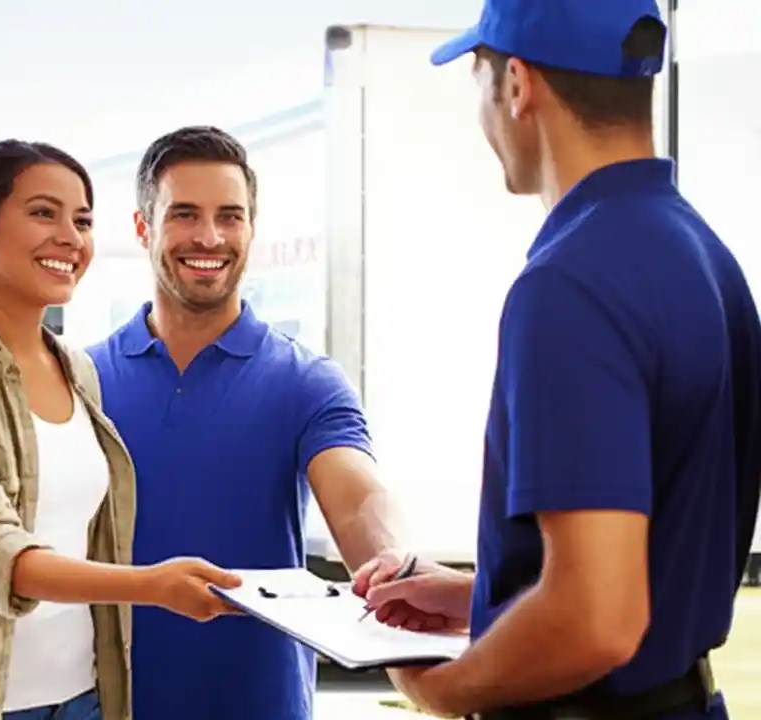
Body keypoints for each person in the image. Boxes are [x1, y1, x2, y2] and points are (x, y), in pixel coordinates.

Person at [355, 1, 761, 718]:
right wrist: (477, 597)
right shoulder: (701, 254)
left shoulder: (569, 285)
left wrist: (446, 690)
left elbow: (597, 620)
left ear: (517, 84)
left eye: (479, 80)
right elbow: (649, 564)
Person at [0, 139, 244, 720]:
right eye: (43, 212)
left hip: (85, 700)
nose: (70, 237)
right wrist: (154, 586)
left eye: (83, 220)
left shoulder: (78, 370)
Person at [86, 125, 427, 719]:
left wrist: (390, 561)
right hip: (107, 706)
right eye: (184, 214)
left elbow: (357, 496)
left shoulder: (306, 381)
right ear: (143, 228)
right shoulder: (82, 380)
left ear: (251, 229)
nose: (210, 237)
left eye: (230, 216)